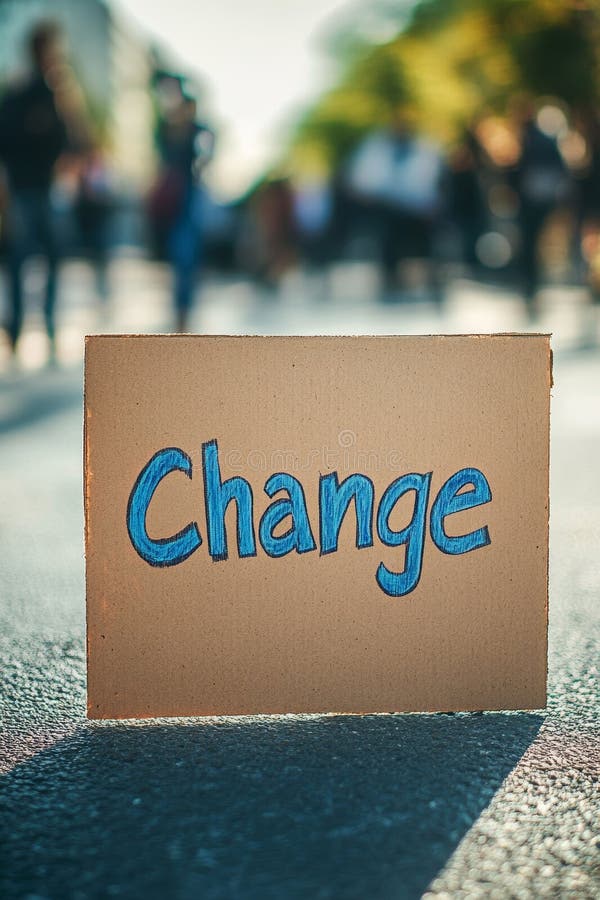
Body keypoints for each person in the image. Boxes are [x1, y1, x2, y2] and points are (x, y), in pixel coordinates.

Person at [0, 21, 69, 361]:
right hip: (24, 188)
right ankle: (15, 330)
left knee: (52, 256)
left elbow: (64, 138)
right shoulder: (21, 88)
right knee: (19, 259)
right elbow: (8, 138)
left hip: (47, 187)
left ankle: (49, 327)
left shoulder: (55, 90)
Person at [150, 86, 214, 332]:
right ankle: (181, 309)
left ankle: (183, 309)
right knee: (182, 257)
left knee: (187, 258)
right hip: (176, 200)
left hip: (186, 199)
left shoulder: (184, 130)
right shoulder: (172, 130)